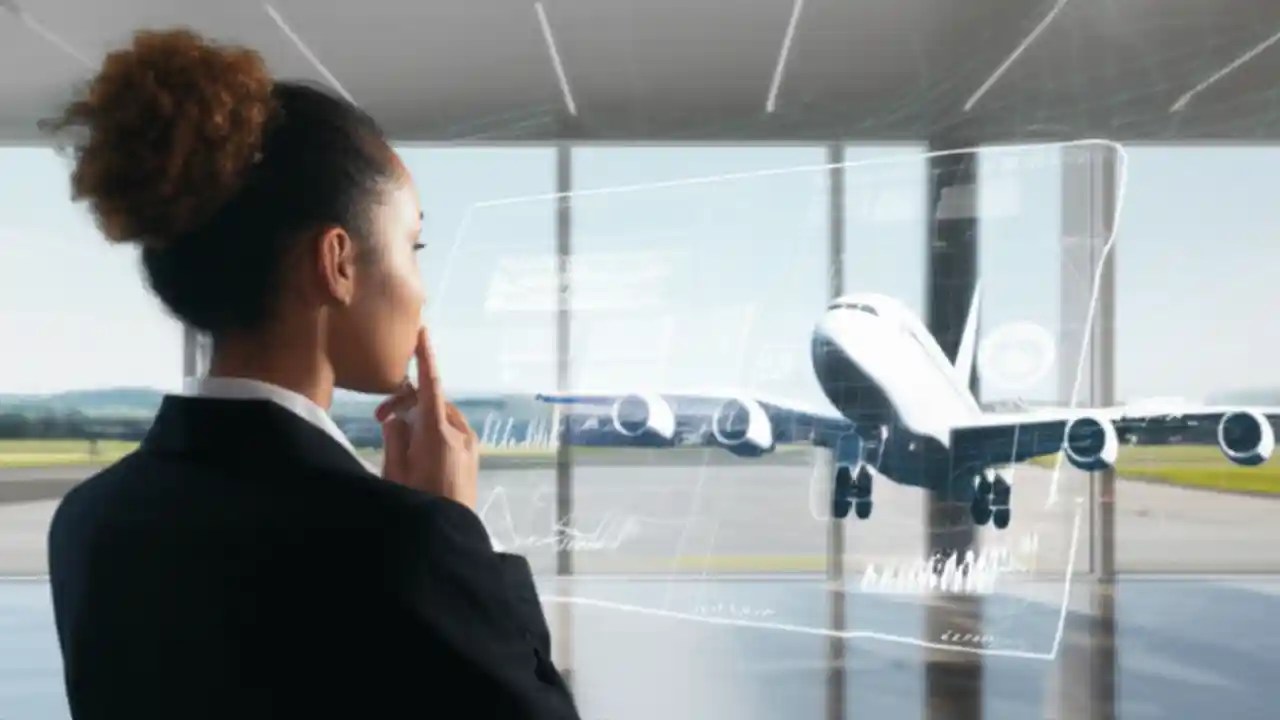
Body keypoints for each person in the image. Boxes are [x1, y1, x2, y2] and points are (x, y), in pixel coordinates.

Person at [42, 28, 580, 719]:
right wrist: (459, 532)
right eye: (413, 246)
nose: (422, 290)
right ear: (338, 263)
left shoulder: (87, 523)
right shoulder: (409, 545)